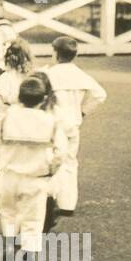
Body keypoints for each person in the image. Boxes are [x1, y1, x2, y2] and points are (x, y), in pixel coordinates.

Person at [0, 76, 67, 261]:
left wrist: (0, 158)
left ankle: (7, 253)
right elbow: (61, 152)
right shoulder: (51, 121)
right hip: (36, 176)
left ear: (19, 97)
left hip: (8, 175)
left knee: (8, 213)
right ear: (43, 99)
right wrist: (51, 169)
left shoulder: (7, 117)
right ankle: (28, 256)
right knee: (32, 218)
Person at [43, 37, 107, 218]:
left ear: (55, 53)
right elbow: (100, 94)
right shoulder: (79, 74)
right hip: (72, 124)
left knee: (50, 159)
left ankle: (49, 196)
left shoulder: (49, 74)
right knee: (70, 161)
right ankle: (67, 203)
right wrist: (83, 111)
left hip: (53, 125)